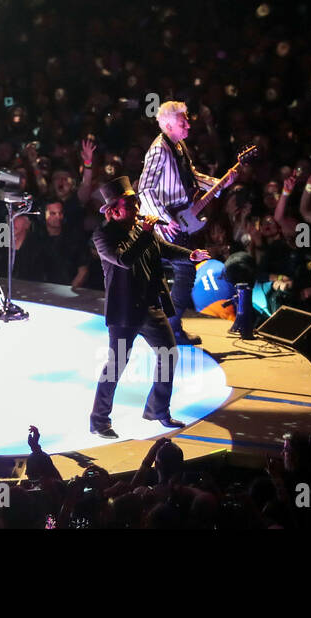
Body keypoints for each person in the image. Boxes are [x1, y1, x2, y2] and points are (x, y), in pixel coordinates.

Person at [89, 177, 209, 439]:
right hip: (124, 312)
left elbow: (162, 248)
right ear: (113, 210)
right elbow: (124, 259)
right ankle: (99, 421)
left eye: (136, 202)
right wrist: (144, 233)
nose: (137, 208)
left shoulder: (140, 228)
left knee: (169, 355)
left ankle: (158, 409)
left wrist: (189, 255)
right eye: (130, 204)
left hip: (151, 306)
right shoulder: (103, 236)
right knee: (116, 365)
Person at [137, 100, 222, 346]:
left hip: (177, 218)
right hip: (165, 222)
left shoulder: (178, 145)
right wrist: (163, 218)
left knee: (174, 272)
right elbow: (144, 188)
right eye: (183, 119)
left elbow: (192, 176)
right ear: (167, 124)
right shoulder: (159, 150)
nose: (188, 123)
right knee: (184, 268)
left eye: (187, 117)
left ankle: (165, 326)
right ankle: (169, 328)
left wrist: (218, 184)